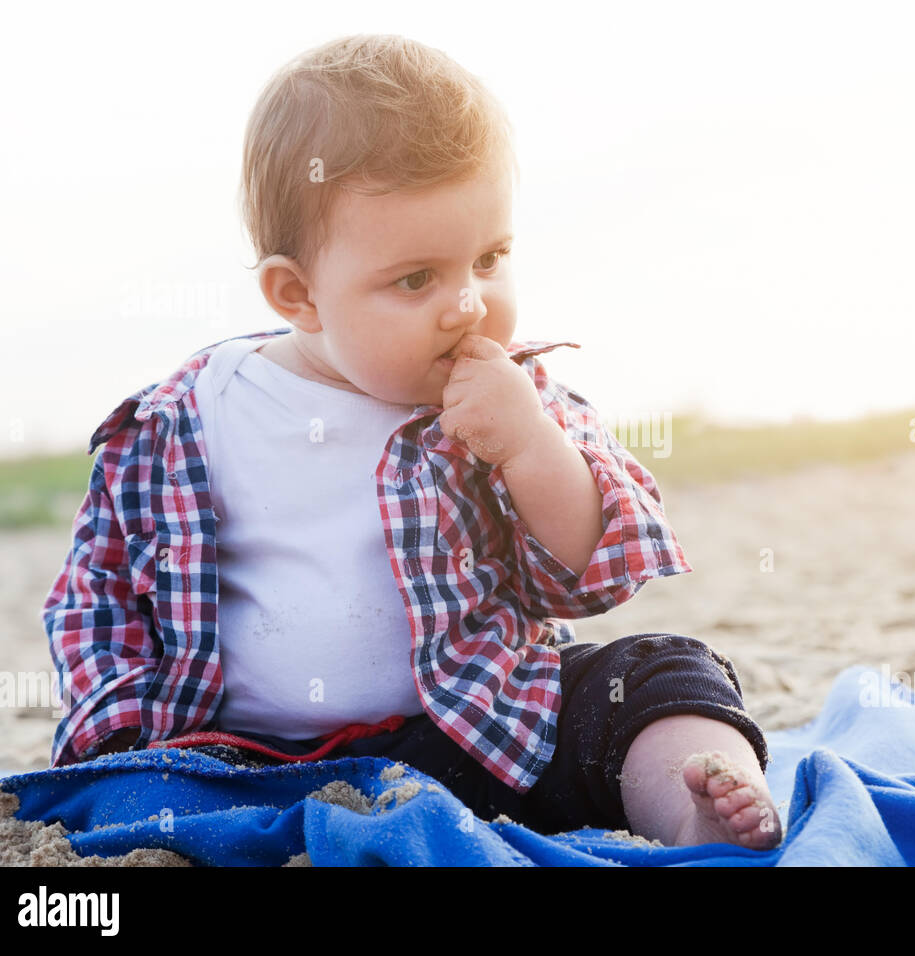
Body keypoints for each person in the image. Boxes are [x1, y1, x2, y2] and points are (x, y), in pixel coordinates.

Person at [42, 34, 781, 850]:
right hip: (242, 757)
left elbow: (588, 573)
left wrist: (530, 447)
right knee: (123, 794)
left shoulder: (507, 398)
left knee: (657, 675)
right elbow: (94, 597)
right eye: (416, 279)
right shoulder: (183, 422)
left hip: (477, 734)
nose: (468, 305)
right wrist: (116, 734)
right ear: (299, 294)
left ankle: (693, 806)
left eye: (490, 258)